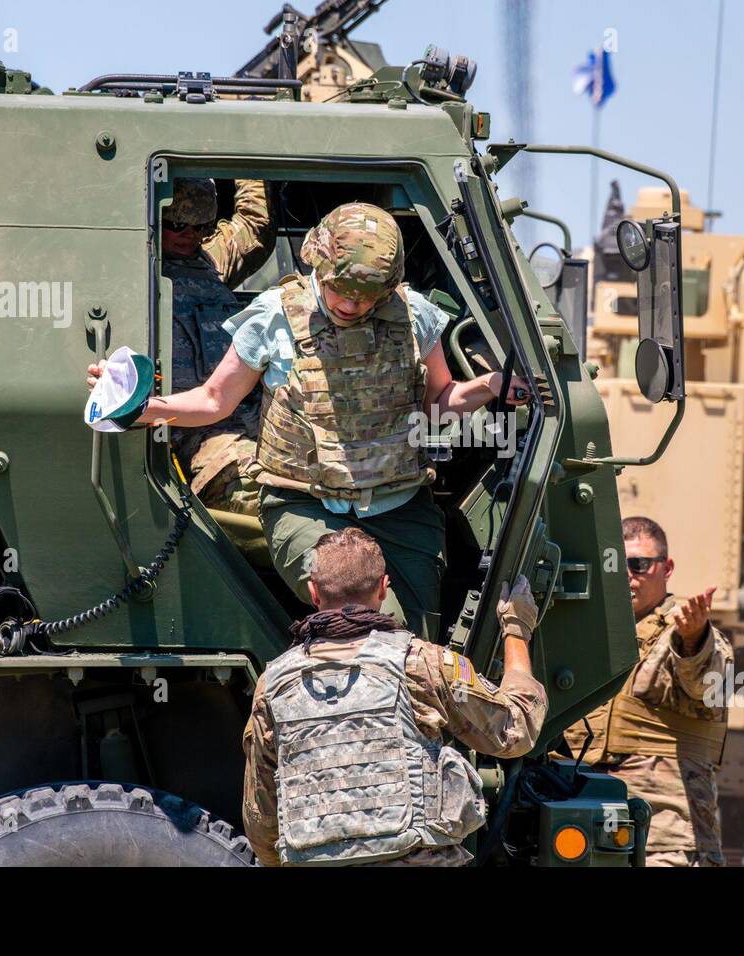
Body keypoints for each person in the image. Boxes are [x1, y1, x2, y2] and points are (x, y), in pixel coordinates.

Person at [88, 201, 529, 638]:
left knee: (416, 647)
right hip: (305, 506)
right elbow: (214, 400)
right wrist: (146, 408)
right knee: (371, 629)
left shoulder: (414, 315)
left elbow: (435, 403)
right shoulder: (274, 315)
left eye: (367, 296)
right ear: (317, 262)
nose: (352, 305)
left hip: (400, 506)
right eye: (341, 289)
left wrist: (490, 385)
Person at [241, 527, 545, 866]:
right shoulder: (422, 663)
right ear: (384, 589)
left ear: (313, 593)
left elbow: (261, 816)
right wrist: (516, 630)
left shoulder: (274, 682)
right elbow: (515, 730)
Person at [561, 516, 733, 866]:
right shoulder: (584, 633)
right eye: (616, 564)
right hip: (577, 820)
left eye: (639, 565)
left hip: (662, 833)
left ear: (666, 568)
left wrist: (693, 640)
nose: (627, 574)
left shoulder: (686, 632)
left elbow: (707, 684)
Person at [164, 177, 275, 515]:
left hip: (253, 420)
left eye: (203, 226)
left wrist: (246, 151)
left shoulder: (209, 261)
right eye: (179, 225)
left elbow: (255, 226)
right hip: (195, 433)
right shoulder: (129, 269)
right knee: (252, 494)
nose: (191, 236)